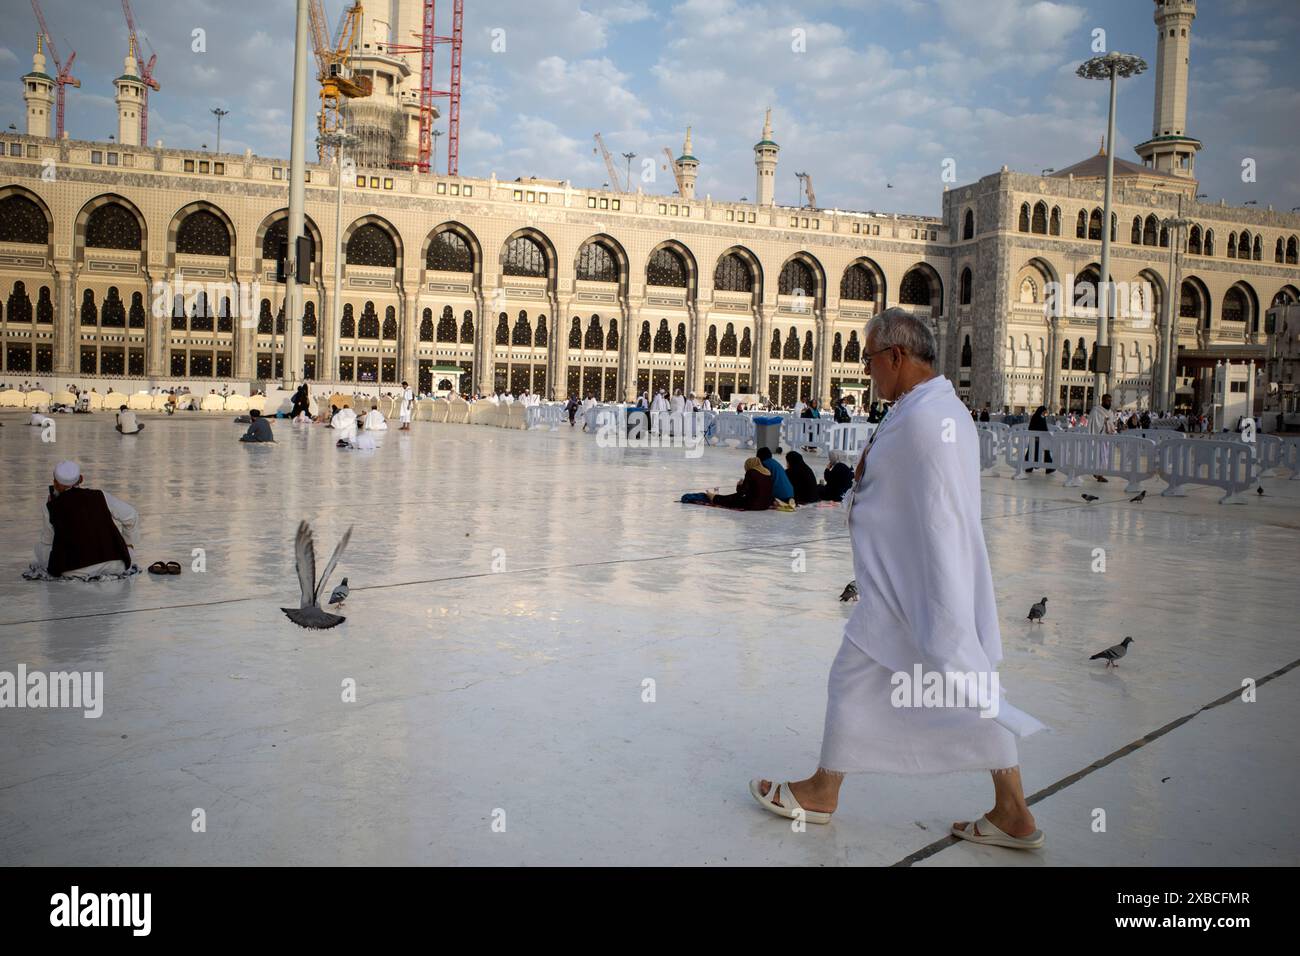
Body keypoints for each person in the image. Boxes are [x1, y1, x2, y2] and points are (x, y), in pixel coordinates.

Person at [751, 307, 1045, 846]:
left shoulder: (932, 419)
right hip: (911, 583)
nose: (867, 373)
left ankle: (821, 791)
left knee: (883, 678)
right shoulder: (924, 409)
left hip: (916, 586)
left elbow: (940, 513)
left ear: (896, 355)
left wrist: (942, 597)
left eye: (869, 361)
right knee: (963, 686)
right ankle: (1012, 809)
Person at [32, 460, 139, 579]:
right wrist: (128, 545)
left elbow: (49, 541)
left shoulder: (50, 506)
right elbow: (131, 516)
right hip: (117, 564)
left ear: (55, 484)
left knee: (40, 547)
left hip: (74, 570)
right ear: (81, 479)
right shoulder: (100, 495)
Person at [705, 457, 774, 511]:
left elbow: (741, 493)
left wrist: (739, 485)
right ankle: (715, 497)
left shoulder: (751, 472)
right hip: (766, 505)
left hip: (753, 505)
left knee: (732, 498)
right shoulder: (767, 473)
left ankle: (714, 497)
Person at [1087, 392, 1117, 481]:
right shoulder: (1096, 410)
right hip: (1098, 438)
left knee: (1104, 458)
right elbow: (1093, 424)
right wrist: (1104, 421)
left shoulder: (1110, 412)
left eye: (1110, 401)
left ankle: (1099, 474)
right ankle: (1098, 474)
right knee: (1098, 457)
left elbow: (1111, 424)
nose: (1109, 403)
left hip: (1107, 438)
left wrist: (1113, 428)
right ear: (1103, 400)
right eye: (1108, 401)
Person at [1023, 405, 1054, 474]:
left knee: (1046, 450)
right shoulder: (1035, 417)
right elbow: (1031, 427)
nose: (1045, 414)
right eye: (1044, 412)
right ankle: (1029, 467)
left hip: (1041, 438)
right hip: (1035, 438)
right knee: (1032, 451)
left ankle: (1049, 467)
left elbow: (1045, 429)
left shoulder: (1042, 418)